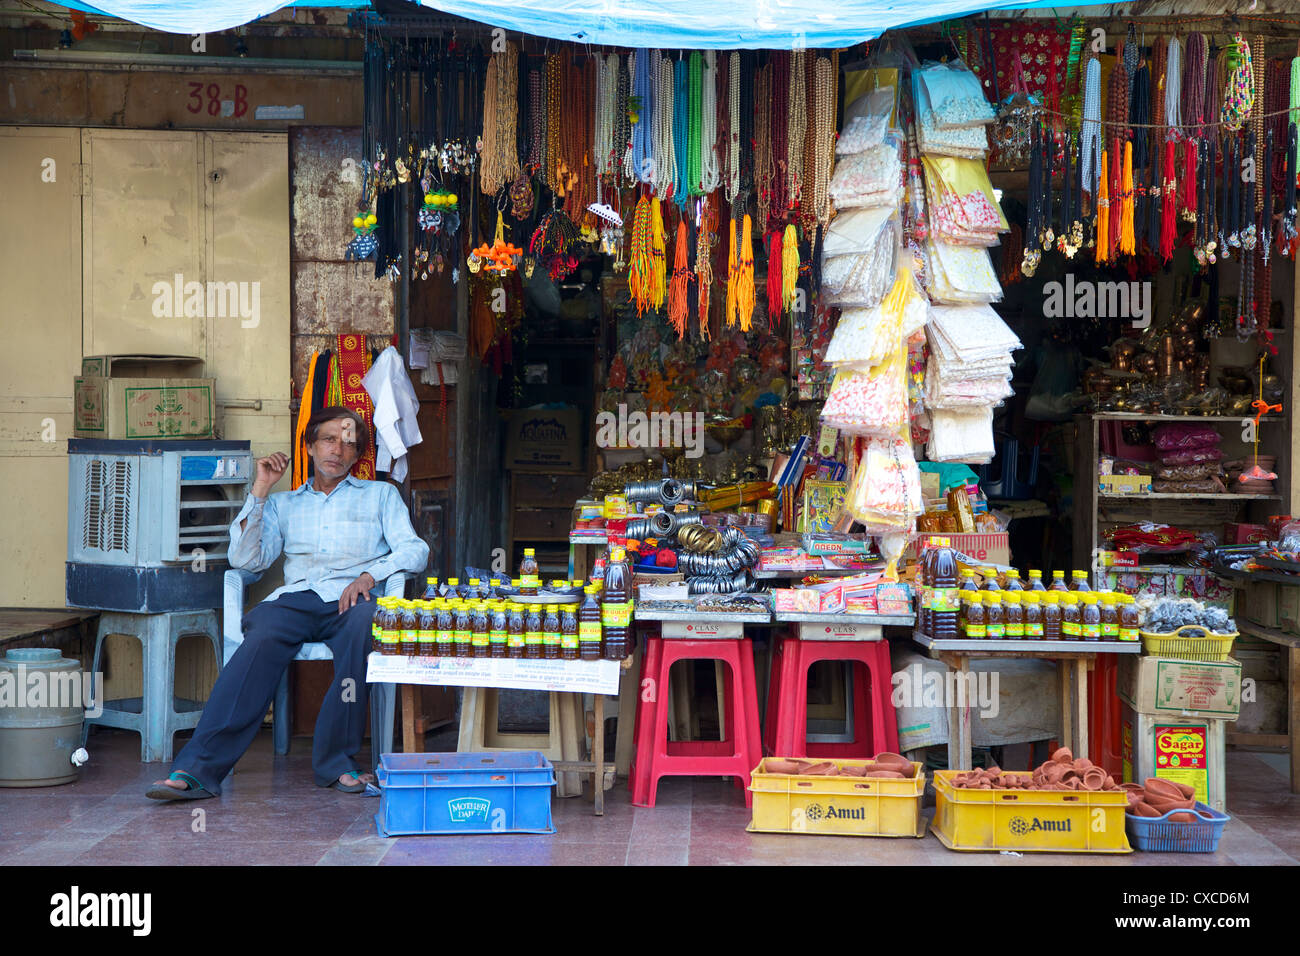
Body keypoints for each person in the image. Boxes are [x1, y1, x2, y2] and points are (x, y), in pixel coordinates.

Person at [147, 407, 429, 800]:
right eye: (328, 439)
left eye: (348, 443)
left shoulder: (380, 496)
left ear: (357, 455)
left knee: (364, 628)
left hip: (355, 601)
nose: (337, 450)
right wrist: (261, 489)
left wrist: (370, 576)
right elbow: (246, 562)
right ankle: (198, 770)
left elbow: (415, 550)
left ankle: (337, 763)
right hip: (297, 601)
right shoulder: (282, 504)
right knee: (261, 636)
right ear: (310, 447)